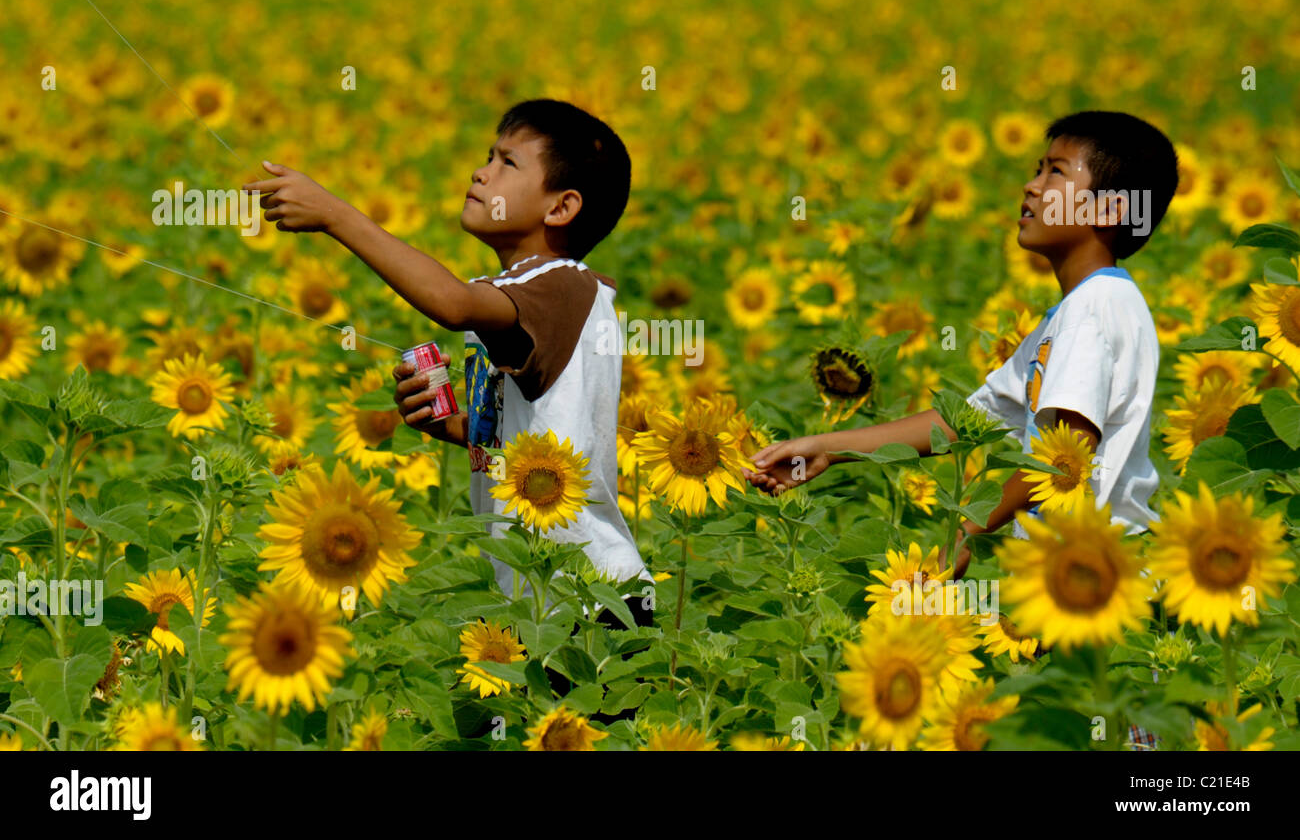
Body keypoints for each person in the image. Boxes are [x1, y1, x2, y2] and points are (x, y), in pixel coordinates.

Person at [243, 98, 654, 633]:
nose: (481, 172)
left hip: (587, 603)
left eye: (507, 162)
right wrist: (455, 427)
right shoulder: (538, 294)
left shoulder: (559, 288)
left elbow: (452, 303)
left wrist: (334, 214)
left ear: (560, 208)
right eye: (488, 156)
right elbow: (536, 439)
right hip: (539, 601)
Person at [745, 111, 1178, 595]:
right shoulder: (1074, 312)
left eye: (1056, 172)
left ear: (1111, 210)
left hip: (1101, 577)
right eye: (1038, 169)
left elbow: (1065, 458)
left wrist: (968, 529)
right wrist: (826, 447)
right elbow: (965, 422)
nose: (1031, 187)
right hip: (1068, 571)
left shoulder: (1096, 307)